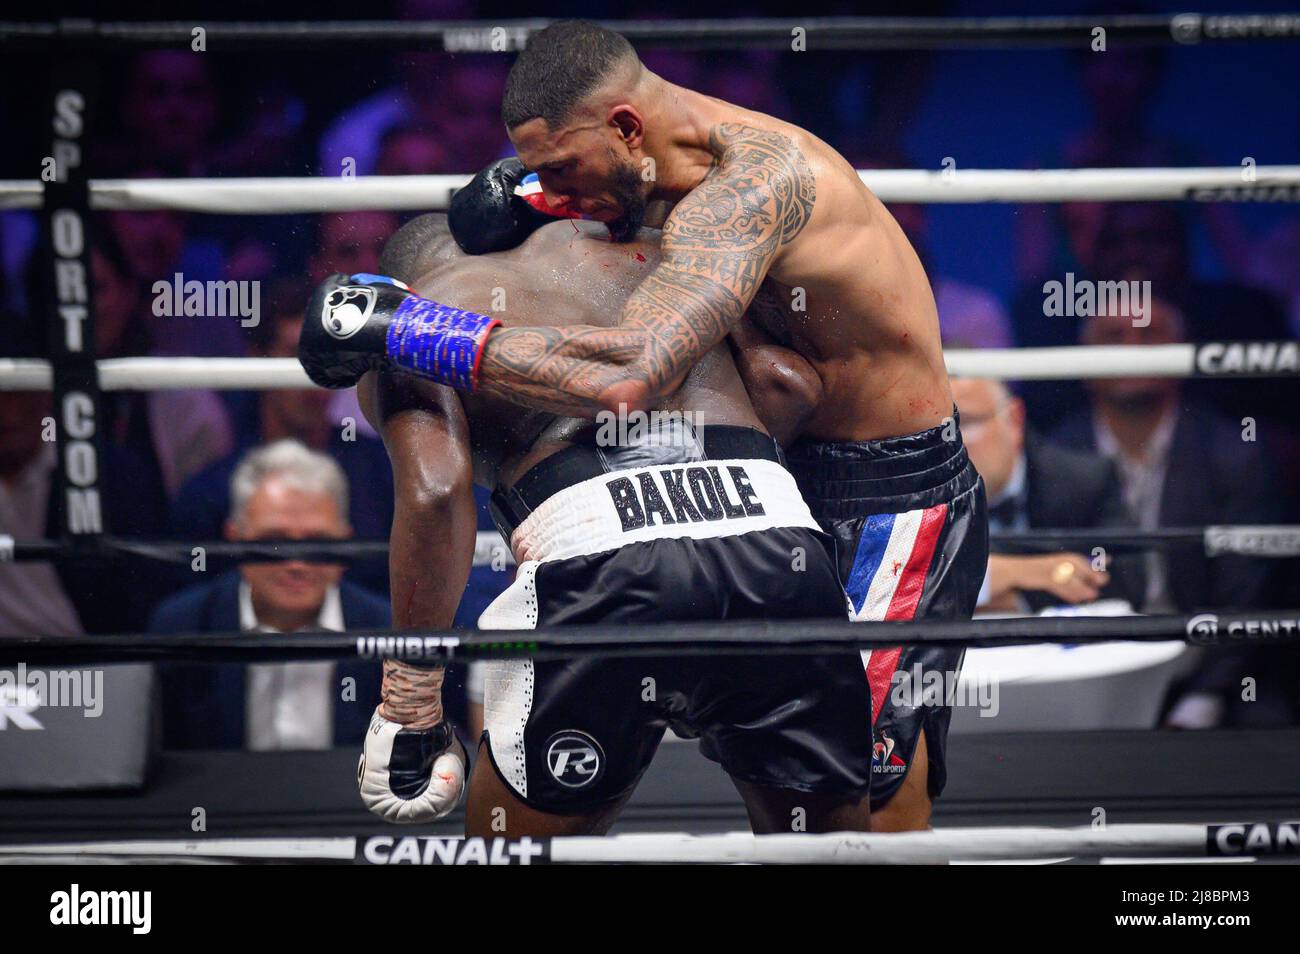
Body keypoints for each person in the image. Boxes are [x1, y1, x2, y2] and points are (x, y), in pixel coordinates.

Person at [302, 21, 987, 831]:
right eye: (539, 181)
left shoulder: (747, 188)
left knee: (874, 805)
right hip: (775, 490)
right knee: (816, 809)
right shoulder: (646, 180)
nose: (558, 203)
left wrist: (409, 332)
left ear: (627, 128)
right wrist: (527, 190)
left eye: (561, 173)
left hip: (885, 498)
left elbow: (630, 375)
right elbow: (782, 380)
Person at [315, 213, 875, 836]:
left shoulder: (406, 318)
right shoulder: (650, 254)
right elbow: (788, 384)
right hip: (772, 537)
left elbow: (436, 490)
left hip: (600, 560)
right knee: (826, 850)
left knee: (515, 854)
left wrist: (410, 699)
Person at [150, 440, 386, 750]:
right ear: (235, 540)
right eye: (274, 542)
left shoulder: (387, 633)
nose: (297, 564)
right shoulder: (182, 627)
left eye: (318, 542)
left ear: (346, 543)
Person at [952, 376, 1145, 613]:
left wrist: (1004, 597)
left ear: (1013, 420)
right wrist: (1028, 572)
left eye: (965, 423)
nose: (948, 445)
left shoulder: (1081, 481)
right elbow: (904, 588)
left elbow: (1123, 578)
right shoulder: (909, 492)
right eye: (935, 432)